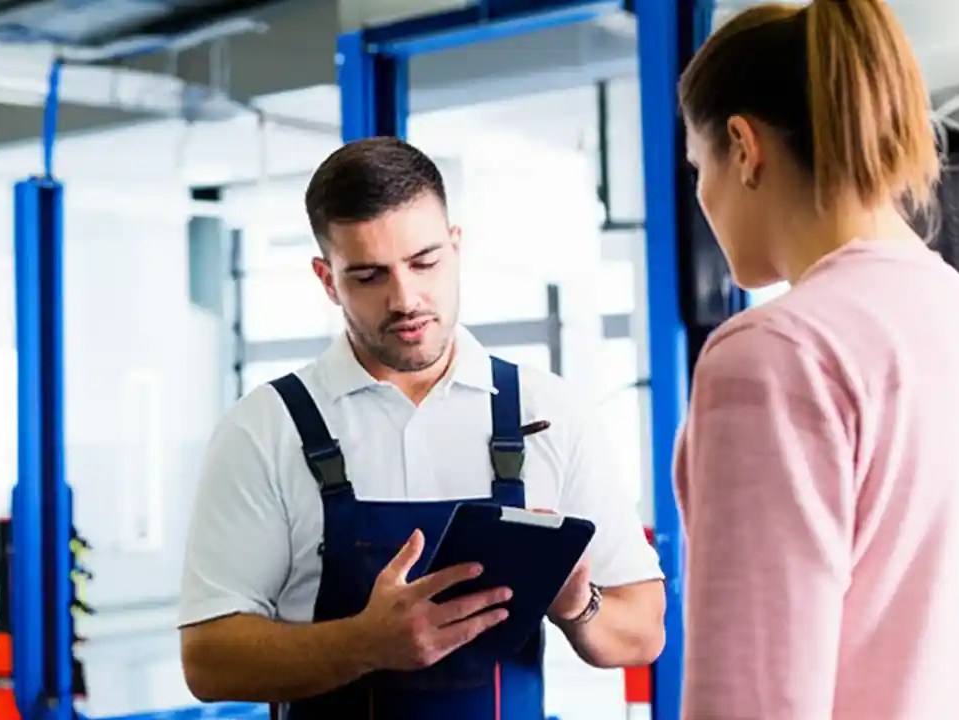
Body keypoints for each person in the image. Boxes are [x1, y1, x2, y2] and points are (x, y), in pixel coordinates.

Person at [178, 137, 665, 718]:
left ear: (455, 247)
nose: (405, 298)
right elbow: (206, 661)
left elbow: (642, 633)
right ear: (326, 279)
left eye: (424, 262)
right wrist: (364, 644)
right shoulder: (265, 428)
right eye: (368, 276)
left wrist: (577, 603)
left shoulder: (552, 413)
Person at [674, 0, 959, 718]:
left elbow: (753, 702)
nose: (702, 195)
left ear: (743, 147)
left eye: (700, 166)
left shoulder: (776, 355)